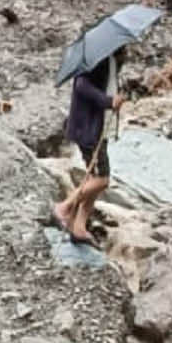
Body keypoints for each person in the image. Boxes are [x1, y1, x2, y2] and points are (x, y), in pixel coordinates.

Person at [53, 55, 123, 246]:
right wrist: (108, 101)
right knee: (101, 180)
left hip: (98, 128)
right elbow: (81, 85)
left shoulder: (111, 57)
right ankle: (64, 207)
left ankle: (79, 227)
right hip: (88, 129)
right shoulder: (96, 58)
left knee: (94, 177)